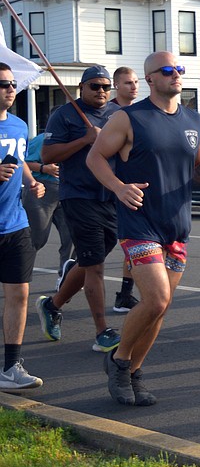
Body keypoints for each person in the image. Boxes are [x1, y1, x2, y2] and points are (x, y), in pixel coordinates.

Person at [86, 51, 200, 406]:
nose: (175, 74)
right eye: (167, 70)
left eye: (178, 69)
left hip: (176, 225)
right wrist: (119, 187)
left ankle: (134, 372)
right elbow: (95, 157)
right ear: (150, 79)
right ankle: (118, 362)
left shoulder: (195, 120)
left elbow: (198, 163)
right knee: (157, 299)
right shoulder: (128, 118)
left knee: (159, 309)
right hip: (139, 223)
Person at [37, 65, 122, 353]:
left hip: (111, 196)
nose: (101, 91)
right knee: (94, 265)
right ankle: (102, 331)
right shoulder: (64, 115)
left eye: (105, 87)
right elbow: (48, 155)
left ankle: (52, 304)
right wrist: (85, 140)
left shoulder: (117, 114)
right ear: (82, 88)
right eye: (95, 86)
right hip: (78, 196)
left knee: (88, 262)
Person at [0, 62, 45, 390]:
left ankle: (11, 367)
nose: (10, 89)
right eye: (3, 84)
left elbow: (18, 161)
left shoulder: (17, 125)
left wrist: (31, 181)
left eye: (13, 83)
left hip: (15, 224)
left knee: (19, 294)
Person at [110, 66, 141, 313]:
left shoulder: (140, 113)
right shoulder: (109, 113)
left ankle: (125, 293)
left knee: (130, 247)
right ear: (116, 85)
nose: (133, 86)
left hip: (133, 189)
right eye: (128, 82)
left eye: (136, 82)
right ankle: (74, 268)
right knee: (101, 248)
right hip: (108, 188)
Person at [23, 131, 75, 279]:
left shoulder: (74, 139)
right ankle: (19, 274)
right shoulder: (42, 140)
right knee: (37, 237)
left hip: (66, 190)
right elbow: (23, 163)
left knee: (71, 236)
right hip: (41, 190)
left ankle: (66, 276)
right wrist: (44, 168)